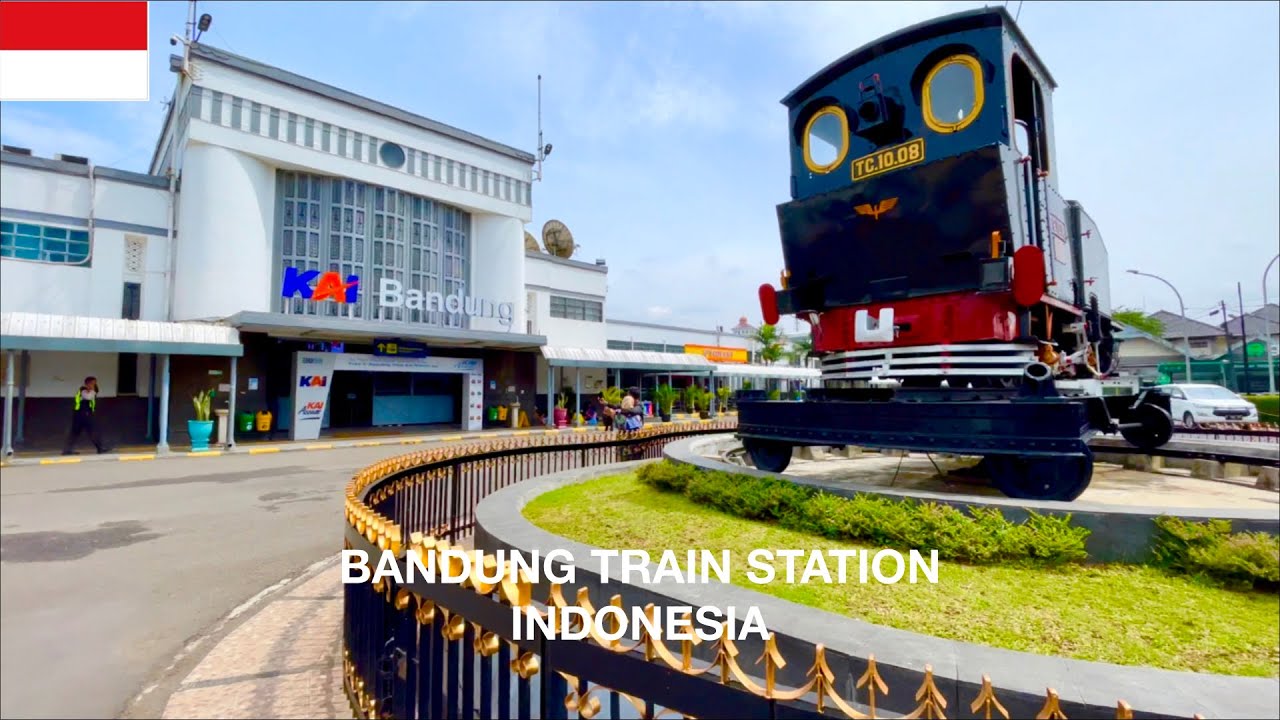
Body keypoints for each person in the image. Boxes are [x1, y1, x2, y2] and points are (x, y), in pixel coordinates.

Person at [62, 376, 109, 455]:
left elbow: (93, 394)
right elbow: (88, 397)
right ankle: (99, 448)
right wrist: (93, 390)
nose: (94, 385)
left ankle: (99, 448)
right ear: (88, 383)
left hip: (85, 414)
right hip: (81, 414)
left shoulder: (90, 390)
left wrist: (93, 390)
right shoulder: (83, 390)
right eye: (93, 383)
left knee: (86, 431)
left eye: (95, 383)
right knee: (82, 431)